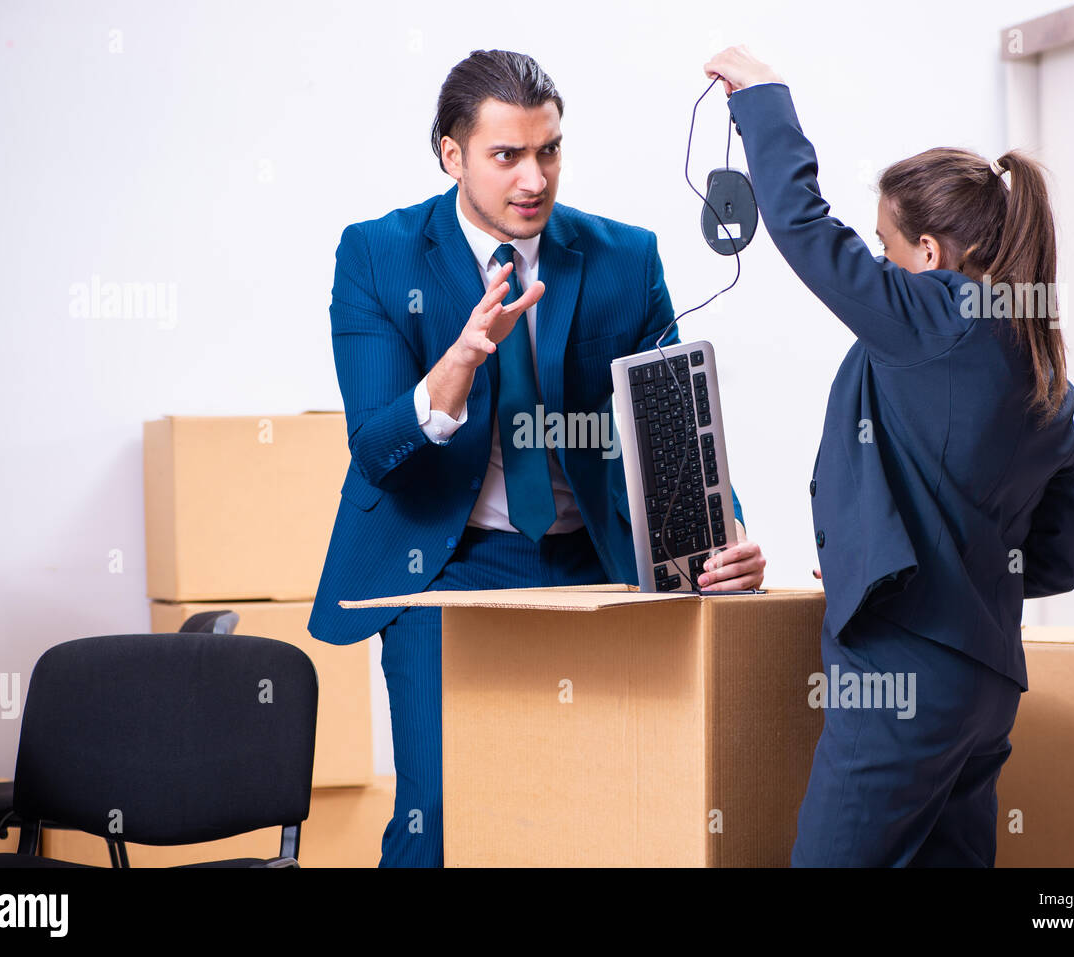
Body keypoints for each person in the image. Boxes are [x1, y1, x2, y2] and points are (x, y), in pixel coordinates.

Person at [308, 49, 767, 867]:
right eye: (507, 155)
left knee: (605, 810)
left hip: (589, 563)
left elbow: (671, 425)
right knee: (441, 814)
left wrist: (725, 531)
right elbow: (376, 449)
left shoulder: (624, 258)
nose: (534, 179)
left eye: (549, 150)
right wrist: (460, 359)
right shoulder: (376, 256)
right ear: (452, 155)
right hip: (443, 566)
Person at [703, 45, 1074, 866]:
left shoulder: (932, 317)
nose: (876, 266)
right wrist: (889, 561)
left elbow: (803, 227)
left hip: (903, 682)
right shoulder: (1043, 367)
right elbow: (1051, 557)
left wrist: (764, 97)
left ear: (930, 255)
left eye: (885, 248)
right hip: (986, 687)